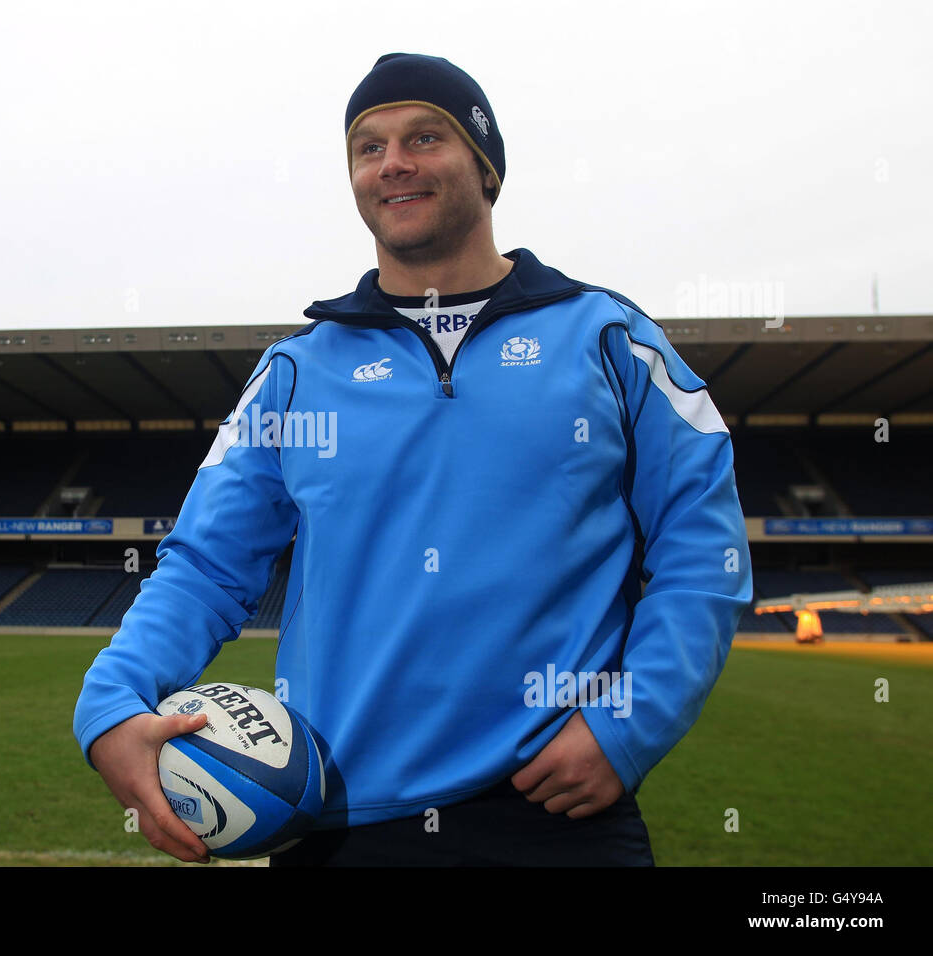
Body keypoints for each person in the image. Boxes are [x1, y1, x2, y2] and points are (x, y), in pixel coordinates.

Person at [73, 52, 752, 866]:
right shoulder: (296, 372)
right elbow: (205, 566)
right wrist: (111, 700)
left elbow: (702, 549)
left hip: (555, 814)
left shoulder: (608, 339)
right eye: (369, 146)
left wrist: (628, 724)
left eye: (425, 137)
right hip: (339, 821)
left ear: (486, 165)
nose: (392, 163)